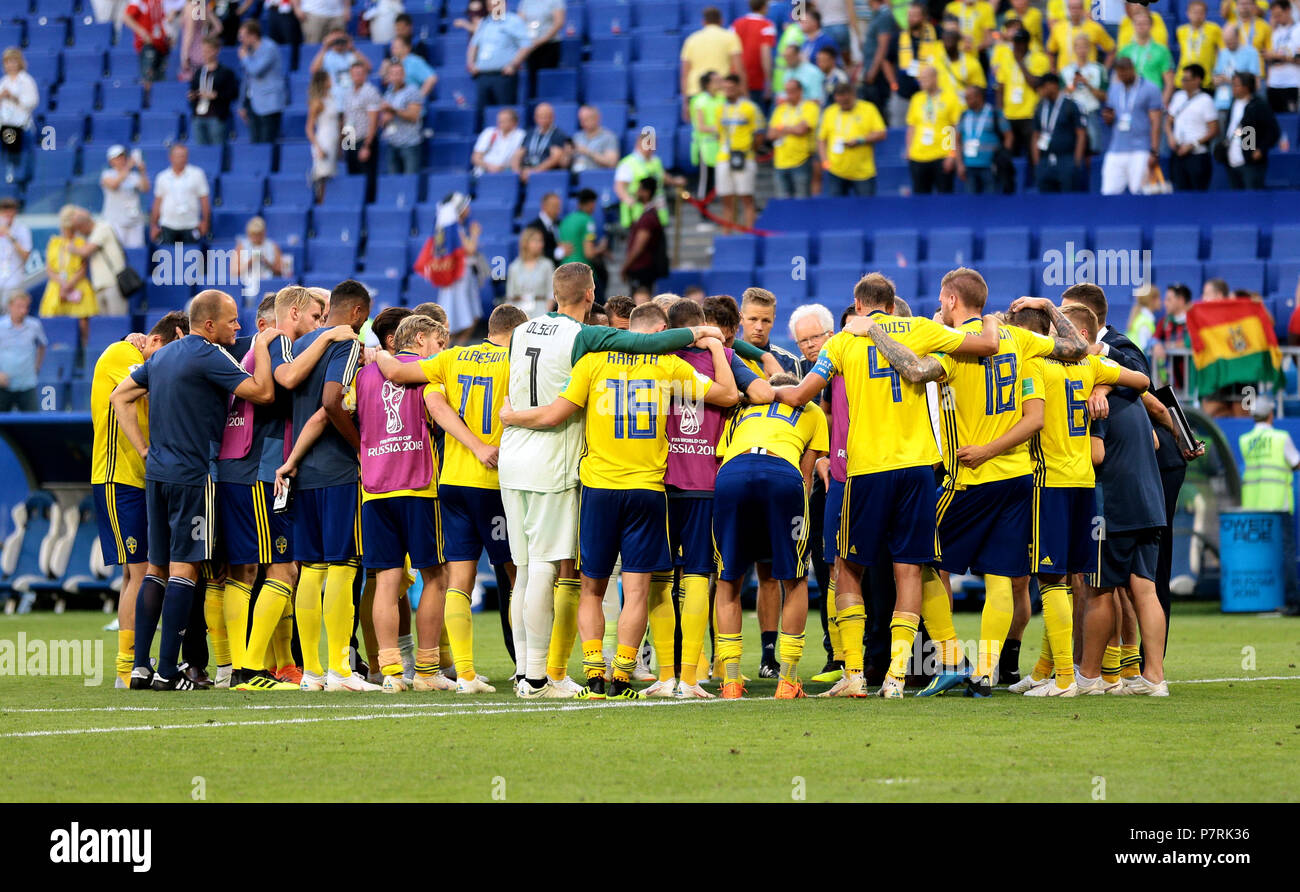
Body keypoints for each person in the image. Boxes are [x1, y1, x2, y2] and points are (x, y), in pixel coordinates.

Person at [494, 262, 723, 698]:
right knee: (602, 579)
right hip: (590, 473)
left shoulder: (524, 331)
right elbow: (718, 387)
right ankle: (609, 673)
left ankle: (540, 672)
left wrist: (510, 417)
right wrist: (701, 336)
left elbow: (540, 398)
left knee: (537, 574)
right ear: (590, 294)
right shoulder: (594, 341)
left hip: (525, 463)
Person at [773, 272, 1001, 697]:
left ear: (858, 306)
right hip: (918, 468)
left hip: (867, 469)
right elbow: (989, 345)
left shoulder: (842, 342)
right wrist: (993, 319)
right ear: (892, 304)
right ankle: (896, 678)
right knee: (909, 569)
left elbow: (803, 394)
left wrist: (765, 393)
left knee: (847, 568)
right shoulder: (920, 329)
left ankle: (855, 675)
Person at [918, 275, 1089, 698]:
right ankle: (986, 673)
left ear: (953, 299)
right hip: (1019, 479)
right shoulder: (1020, 340)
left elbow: (914, 370)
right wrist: (1049, 307)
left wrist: (880, 333)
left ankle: (953, 658)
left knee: (915, 555)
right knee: (1000, 577)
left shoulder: (951, 341)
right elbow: (1076, 349)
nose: (939, 304)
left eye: (942, 298)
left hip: (971, 475)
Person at [110, 290, 277, 690]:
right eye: (232, 320)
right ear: (208, 325)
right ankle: (168, 671)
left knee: (156, 569)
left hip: (158, 475)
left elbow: (121, 397)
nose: (237, 327)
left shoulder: (162, 355)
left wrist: (145, 448)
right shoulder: (208, 354)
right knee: (185, 571)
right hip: (193, 475)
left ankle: (139, 667)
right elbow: (264, 392)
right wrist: (265, 346)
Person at [371, 305, 532, 692]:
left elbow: (400, 376)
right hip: (496, 480)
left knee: (459, 580)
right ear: (518, 332)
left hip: (452, 482)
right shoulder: (517, 362)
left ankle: (465, 674)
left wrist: (374, 349)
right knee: (516, 576)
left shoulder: (453, 356)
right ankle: (527, 668)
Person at [1003, 302, 1150, 697]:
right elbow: (1141, 380)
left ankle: (1066, 679)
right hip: (1085, 483)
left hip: (1048, 481)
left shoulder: (1035, 362)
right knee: (1075, 579)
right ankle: (1051, 669)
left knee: (1051, 580)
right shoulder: (1090, 366)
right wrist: (1102, 385)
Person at [216, 288, 352, 691]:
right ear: (292, 313)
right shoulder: (276, 342)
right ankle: (250, 668)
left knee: (247, 571)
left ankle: (252, 666)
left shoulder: (263, 343)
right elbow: (288, 379)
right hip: (260, 465)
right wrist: (329, 338)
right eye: (315, 315)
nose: (319, 322)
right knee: (283, 568)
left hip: (241, 465)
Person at [281, 279, 376, 692]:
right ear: (356, 313)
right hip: (337, 468)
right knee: (343, 564)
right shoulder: (347, 343)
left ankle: (313, 673)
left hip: (303, 470)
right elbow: (333, 399)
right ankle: (340, 670)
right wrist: (361, 449)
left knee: (312, 568)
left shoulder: (301, 345)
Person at [712, 370, 825, 699]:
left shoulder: (742, 408)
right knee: (795, 577)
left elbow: (723, 457)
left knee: (728, 577)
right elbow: (806, 478)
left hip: (732, 474)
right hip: (782, 473)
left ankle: (732, 682)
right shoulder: (812, 410)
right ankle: (788, 680)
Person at [90, 311, 188, 687]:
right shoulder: (120, 353)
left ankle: (137, 662)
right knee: (140, 569)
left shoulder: (144, 356)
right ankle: (126, 666)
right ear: (161, 341)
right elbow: (139, 389)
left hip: (144, 480)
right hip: (118, 478)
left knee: (148, 569)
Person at [1239, 395, 1300, 614]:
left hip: (1254, 506)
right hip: (1278, 504)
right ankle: (1293, 602)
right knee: (1286, 553)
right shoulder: (1281, 438)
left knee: (1260, 554)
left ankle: (1259, 599)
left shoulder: (1245, 440)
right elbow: (1295, 462)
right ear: (1271, 415)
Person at [419, 193, 482, 344]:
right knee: (457, 320)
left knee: (467, 318)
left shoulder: (448, 228)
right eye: (465, 205)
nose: (468, 208)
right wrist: (475, 234)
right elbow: (470, 249)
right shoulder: (455, 229)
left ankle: (455, 351)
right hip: (459, 277)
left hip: (459, 277)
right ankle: (448, 352)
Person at [1100, 56, 1164, 195]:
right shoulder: (1114, 89)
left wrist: (1154, 150)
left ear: (1132, 69)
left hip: (1140, 149)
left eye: (1125, 72)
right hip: (1116, 148)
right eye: (1119, 73)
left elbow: (1156, 122)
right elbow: (1111, 119)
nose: (1122, 75)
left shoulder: (1151, 88)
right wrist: (1108, 118)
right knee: (1108, 193)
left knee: (1139, 193)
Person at [466, 0, 535, 128]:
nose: (493, 6)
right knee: (483, 115)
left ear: (504, 4)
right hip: (483, 75)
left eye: (496, 3)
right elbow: (473, 46)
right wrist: (471, 64)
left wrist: (513, 64)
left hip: (503, 75)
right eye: (490, 4)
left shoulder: (514, 21)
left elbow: (525, 45)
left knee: (506, 114)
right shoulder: (484, 23)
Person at [819, 81, 888, 196]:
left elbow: (881, 133)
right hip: (836, 171)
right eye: (840, 101)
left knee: (866, 209)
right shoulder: (830, 112)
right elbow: (821, 139)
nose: (843, 104)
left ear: (853, 95)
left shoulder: (868, 109)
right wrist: (825, 161)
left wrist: (860, 140)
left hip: (862, 172)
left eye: (846, 101)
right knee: (837, 209)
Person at [991, 28, 1049, 163]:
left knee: (1033, 155)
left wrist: (1020, 62)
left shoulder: (1039, 58)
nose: (1018, 46)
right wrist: (1000, 113)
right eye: (1016, 42)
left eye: (1021, 42)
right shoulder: (1006, 59)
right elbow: (1000, 87)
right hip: (1009, 115)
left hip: (1030, 114)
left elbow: (1035, 84)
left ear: (1028, 43)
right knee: (1009, 157)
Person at [716, 74, 765, 231]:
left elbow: (759, 134)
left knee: (746, 198)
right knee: (727, 200)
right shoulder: (720, 109)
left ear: (738, 87)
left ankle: (749, 235)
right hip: (724, 157)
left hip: (745, 157)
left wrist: (750, 150)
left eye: (731, 87)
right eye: (726, 88)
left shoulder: (750, 108)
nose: (728, 91)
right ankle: (727, 236)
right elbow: (720, 133)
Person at [41, 205, 98, 340]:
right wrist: (62, 284)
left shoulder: (80, 242)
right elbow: (49, 269)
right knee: (53, 321)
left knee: (83, 321)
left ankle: (83, 352)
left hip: (77, 284)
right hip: (57, 286)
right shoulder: (54, 242)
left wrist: (69, 284)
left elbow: (83, 268)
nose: (68, 231)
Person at [906, 64, 961, 194]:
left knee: (944, 198)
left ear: (935, 78)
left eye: (925, 78)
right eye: (920, 78)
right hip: (918, 157)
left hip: (941, 156)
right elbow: (912, 127)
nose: (921, 81)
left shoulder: (950, 98)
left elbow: (952, 129)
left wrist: (951, 155)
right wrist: (909, 150)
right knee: (920, 200)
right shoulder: (916, 99)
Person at [1221, 71, 1280, 188]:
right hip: (1231, 159)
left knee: (1252, 199)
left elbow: (1273, 131)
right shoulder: (1233, 103)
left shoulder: (1258, 105)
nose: (1232, 88)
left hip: (1250, 161)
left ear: (1246, 87)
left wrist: (1260, 150)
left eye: (1236, 85)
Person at [681, 5, 744, 115]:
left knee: (700, 130)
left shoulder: (691, 39)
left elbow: (685, 74)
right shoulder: (730, 37)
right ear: (721, 21)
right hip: (721, 91)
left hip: (696, 90)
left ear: (703, 22)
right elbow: (739, 69)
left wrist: (685, 102)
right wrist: (742, 91)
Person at [1166, 63, 1220, 191]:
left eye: (1186, 79)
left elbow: (1214, 130)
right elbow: (1168, 121)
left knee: (1198, 192)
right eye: (1182, 79)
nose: (1183, 82)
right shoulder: (1178, 97)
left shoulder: (1206, 100)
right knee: (1180, 191)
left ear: (1197, 80)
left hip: (1197, 154)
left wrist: (1193, 144)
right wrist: (1170, 137)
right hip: (1178, 152)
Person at [70, 207, 130, 317]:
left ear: (83, 225)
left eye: (78, 229)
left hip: (113, 284)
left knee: (117, 324)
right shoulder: (90, 235)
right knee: (105, 326)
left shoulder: (102, 228)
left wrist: (71, 248)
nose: (78, 232)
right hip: (99, 286)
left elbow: (86, 251)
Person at [1031, 72, 1085, 193]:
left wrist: (1076, 161)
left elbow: (1081, 134)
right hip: (1045, 160)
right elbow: (1035, 135)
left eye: (1042, 87)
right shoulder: (1040, 106)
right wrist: (1037, 163)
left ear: (1053, 86)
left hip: (1066, 158)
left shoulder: (1070, 105)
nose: (1040, 91)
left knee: (1068, 200)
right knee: (1045, 203)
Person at [768, 76, 821, 197]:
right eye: (786, 91)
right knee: (783, 202)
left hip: (801, 161)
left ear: (800, 91)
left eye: (792, 91)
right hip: (780, 162)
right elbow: (770, 134)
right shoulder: (780, 109)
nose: (788, 94)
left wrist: (781, 128)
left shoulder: (810, 107)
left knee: (801, 201)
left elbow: (801, 130)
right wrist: (793, 128)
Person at [614, 138, 683, 230]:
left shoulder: (656, 161)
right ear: (639, 145)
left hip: (657, 213)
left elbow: (662, 176)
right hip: (637, 213)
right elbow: (619, 187)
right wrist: (628, 199)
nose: (650, 149)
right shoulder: (628, 163)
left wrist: (675, 181)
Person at [150, 143, 210, 248]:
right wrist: (154, 225)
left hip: (190, 224)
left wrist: (205, 221)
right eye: (178, 156)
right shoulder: (162, 177)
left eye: (183, 156)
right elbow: (157, 202)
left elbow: (204, 200)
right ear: (171, 158)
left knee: (190, 259)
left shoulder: (197, 174)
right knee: (167, 259)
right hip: (168, 224)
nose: (181, 159)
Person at [238, 20, 287, 144]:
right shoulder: (250, 51)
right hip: (253, 103)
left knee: (267, 143)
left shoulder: (269, 47)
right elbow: (247, 79)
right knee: (255, 143)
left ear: (253, 35)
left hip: (269, 103)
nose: (240, 40)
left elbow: (256, 70)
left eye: (243, 36)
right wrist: (242, 104)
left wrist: (244, 58)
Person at [339, 57, 381, 199]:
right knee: (353, 175)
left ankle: (367, 206)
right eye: (355, 73)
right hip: (351, 138)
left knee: (367, 177)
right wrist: (345, 142)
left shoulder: (370, 92)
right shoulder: (348, 93)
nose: (357, 76)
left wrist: (367, 145)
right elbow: (347, 119)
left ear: (365, 75)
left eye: (360, 73)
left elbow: (373, 120)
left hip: (364, 139)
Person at [740, 286, 804, 376]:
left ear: (773, 320)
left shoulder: (790, 362)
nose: (759, 327)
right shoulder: (725, 357)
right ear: (740, 318)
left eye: (766, 321)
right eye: (753, 319)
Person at [188, 36, 240, 145]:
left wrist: (216, 95)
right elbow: (193, 90)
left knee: (217, 150)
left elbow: (233, 93)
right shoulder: (198, 72)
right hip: (199, 116)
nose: (205, 53)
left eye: (208, 50)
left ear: (216, 50)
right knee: (201, 152)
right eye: (204, 50)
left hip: (216, 116)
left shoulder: (225, 72)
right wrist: (193, 96)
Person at [1062, 32, 1107, 156]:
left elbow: (1104, 96)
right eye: (1079, 46)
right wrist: (1073, 85)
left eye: (1085, 46)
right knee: (1071, 150)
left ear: (1089, 48)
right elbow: (1061, 96)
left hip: (1091, 112)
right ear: (1074, 49)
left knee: (1094, 149)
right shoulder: (1066, 70)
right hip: (1072, 115)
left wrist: (1088, 85)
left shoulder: (1098, 69)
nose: (1082, 50)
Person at [620, 178, 667, 294]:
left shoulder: (647, 218)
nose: (636, 193)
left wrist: (625, 266)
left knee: (640, 303)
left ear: (647, 192)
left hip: (642, 269)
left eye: (639, 190)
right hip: (644, 268)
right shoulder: (648, 215)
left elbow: (639, 246)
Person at [0, 291, 44, 412]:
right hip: (4, 385)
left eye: (26, 307)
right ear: (10, 306)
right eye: (19, 306)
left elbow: (42, 346)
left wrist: (37, 367)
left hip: (27, 384)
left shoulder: (35, 325)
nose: (23, 311)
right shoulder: (1, 326)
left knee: (33, 424)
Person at [0, 48, 38, 186]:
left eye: (13, 61)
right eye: (7, 62)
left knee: (18, 151)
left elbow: (32, 102)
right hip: (4, 123)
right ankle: (9, 174)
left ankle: (17, 177)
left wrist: (14, 98)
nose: (10, 65)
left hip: (21, 125)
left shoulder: (26, 80)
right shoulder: (3, 81)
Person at [954, 82, 1002, 193]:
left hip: (990, 166)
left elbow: (1008, 136)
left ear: (979, 97)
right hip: (969, 166)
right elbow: (956, 140)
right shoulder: (964, 115)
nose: (966, 101)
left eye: (969, 98)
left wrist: (1002, 156)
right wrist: (959, 163)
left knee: (990, 201)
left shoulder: (994, 113)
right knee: (971, 204)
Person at [378, 62, 424, 174]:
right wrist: (384, 119)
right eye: (393, 73)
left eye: (398, 73)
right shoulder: (388, 93)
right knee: (393, 183)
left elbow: (414, 116)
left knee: (409, 181)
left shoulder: (412, 91)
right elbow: (384, 119)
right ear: (388, 76)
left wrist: (393, 110)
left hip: (409, 143)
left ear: (404, 75)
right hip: (392, 142)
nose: (396, 76)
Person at [1118, 7, 1175, 98]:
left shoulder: (1162, 50)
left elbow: (1169, 82)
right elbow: (1117, 78)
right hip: (1129, 97)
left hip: (1153, 99)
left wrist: (1162, 103)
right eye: (1138, 23)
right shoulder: (1125, 51)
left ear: (1151, 26)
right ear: (1133, 25)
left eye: (1144, 23)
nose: (1141, 26)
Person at [1046, 0, 1115, 71]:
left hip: (1090, 76)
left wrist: (1104, 71)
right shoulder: (1058, 28)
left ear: (1083, 9)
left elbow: (1111, 49)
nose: (1075, 11)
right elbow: (1050, 51)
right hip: (1065, 76)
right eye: (1072, 8)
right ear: (1068, 9)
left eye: (1077, 8)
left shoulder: (1095, 27)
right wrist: (1053, 71)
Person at [512, 102, 570, 183]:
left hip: (545, 174)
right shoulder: (530, 133)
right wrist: (517, 172)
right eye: (540, 116)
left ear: (553, 117)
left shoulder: (558, 134)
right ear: (535, 117)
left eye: (546, 116)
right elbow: (518, 154)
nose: (543, 119)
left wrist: (535, 172)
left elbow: (556, 157)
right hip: (526, 171)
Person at [734, 0, 778, 107]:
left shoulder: (737, 24)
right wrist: (769, 82)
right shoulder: (766, 26)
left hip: (737, 80)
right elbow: (765, 55)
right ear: (764, 7)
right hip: (757, 81)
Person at [505, 226, 555, 317]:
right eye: (535, 241)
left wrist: (546, 314)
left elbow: (551, 293)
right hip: (520, 313)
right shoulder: (514, 267)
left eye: (541, 241)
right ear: (525, 243)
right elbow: (510, 296)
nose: (540, 244)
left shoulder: (547, 265)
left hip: (541, 312)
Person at [306, 69, 340, 201]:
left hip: (333, 140)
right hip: (323, 140)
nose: (331, 81)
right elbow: (309, 128)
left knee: (332, 176)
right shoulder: (317, 102)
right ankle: (320, 206)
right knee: (322, 177)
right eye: (329, 79)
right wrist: (318, 148)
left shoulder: (331, 98)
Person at [1214, 24, 1263, 116]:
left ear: (1237, 37)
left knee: (1242, 130)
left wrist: (1229, 80)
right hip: (1223, 102)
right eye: (1226, 42)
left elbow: (1255, 83)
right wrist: (1217, 80)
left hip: (1242, 102)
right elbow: (1216, 75)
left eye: (1231, 42)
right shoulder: (1223, 53)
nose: (1228, 45)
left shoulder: (1251, 52)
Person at [859, 0, 899, 111]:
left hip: (879, 73)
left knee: (880, 108)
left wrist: (873, 71)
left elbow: (883, 47)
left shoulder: (884, 16)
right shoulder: (877, 14)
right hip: (873, 69)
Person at [124, 0, 171, 94]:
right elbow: (126, 17)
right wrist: (142, 32)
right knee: (148, 77)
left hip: (162, 45)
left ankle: (159, 103)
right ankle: (147, 102)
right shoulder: (139, 1)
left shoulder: (161, 2)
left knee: (160, 78)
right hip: (148, 45)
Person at [518, 0, 566, 91]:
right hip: (530, 46)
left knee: (547, 80)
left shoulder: (555, 1)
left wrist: (541, 40)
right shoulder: (525, 2)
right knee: (532, 79)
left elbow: (559, 23)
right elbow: (520, 22)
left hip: (549, 45)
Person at [1152, 282, 1192, 388]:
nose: (1165, 303)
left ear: (1181, 301)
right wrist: (1156, 345)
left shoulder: (1194, 321)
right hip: (1173, 384)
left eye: (1169, 300)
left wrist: (1169, 346)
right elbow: (1153, 339)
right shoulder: (1165, 321)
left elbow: (1192, 342)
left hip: (1193, 383)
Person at [1265, 0, 1300, 111]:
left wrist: (1278, 57)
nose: (1277, 19)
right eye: (1274, 16)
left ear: (1288, 10)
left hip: (1292, 83)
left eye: (1279, 15)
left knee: (1292, 122)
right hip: (1274, 84)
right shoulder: (1274, 32)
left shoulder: (1298, 30)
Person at [557, 188, 605, 269]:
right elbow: (589, 253)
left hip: (563, 269)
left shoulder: (566, 219)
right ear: (591, 203)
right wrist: (601, 248)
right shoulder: (588, 221)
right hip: (581, 270)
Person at [471, 107, 524, 177]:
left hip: (506, 173)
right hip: (482, 172)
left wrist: (503, 169)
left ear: (514, 123)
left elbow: (518, 159)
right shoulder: (489, 132)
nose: (500, 123)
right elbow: (475, 158)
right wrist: (489, 166)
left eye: (504, 121)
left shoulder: (521, 135)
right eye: (499, 120)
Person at [1178, 0, 1224, 79]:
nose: (1198, 15)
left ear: (1205, 14)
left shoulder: (1214, 29)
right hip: (1184, 77)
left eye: (1201, 12)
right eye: (1195, 12)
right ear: (1188, 13)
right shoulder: (1181, 31)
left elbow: (1223, 51)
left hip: (1206, 77)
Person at [235, 215, 286, 286]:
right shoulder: (241, 246)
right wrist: (250, 261)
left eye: (258, 234)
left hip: (268, 282)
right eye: (253, 234)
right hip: (247, 283)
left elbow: (281, 271)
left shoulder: (272, 245)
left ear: (263, 233)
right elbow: (234, 272)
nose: (256, 237)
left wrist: (266, 262)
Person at [310, 28, 359, 100]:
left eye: (341, 39)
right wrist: (325, 47)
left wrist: (352, 48)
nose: (339, 42)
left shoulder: (351, 54)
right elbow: (314, 70)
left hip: (352, 91)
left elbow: (368, 67)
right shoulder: (326, 55)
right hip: (332, 92)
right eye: (336, 39)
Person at [385, 34, 437, 98]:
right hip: (396, 101)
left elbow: (431, 78)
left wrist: (419, 97)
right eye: (392, 47)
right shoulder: (393, 62)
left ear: (406, 48)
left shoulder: (414, 61)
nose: (392, 49)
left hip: (411, 102)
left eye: (396, 47)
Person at [570, 105, 618, 174]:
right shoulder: (576, 137)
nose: (582, 123)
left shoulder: (609, 137)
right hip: (575, 176)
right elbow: (564, 164)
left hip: (595, 176)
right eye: (581, 120)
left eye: (586, 119)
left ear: (597, 118)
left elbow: (611, 163)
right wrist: (567, 154)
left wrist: (588, 152)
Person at [0, 196, 31, 296]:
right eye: (5, 212)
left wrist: (10, 237)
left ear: (15, 212)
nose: (8, 214)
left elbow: (25, 256)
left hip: (14, 282)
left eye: (10, 211)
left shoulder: (22, 230)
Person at [523, 191, 565, 263]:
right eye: (555, 206)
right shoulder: (533, 227)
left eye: (559, 207)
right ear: (544, 206)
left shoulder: (559, 223)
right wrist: (558, 253)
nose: (558, 210)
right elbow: (533, 251)